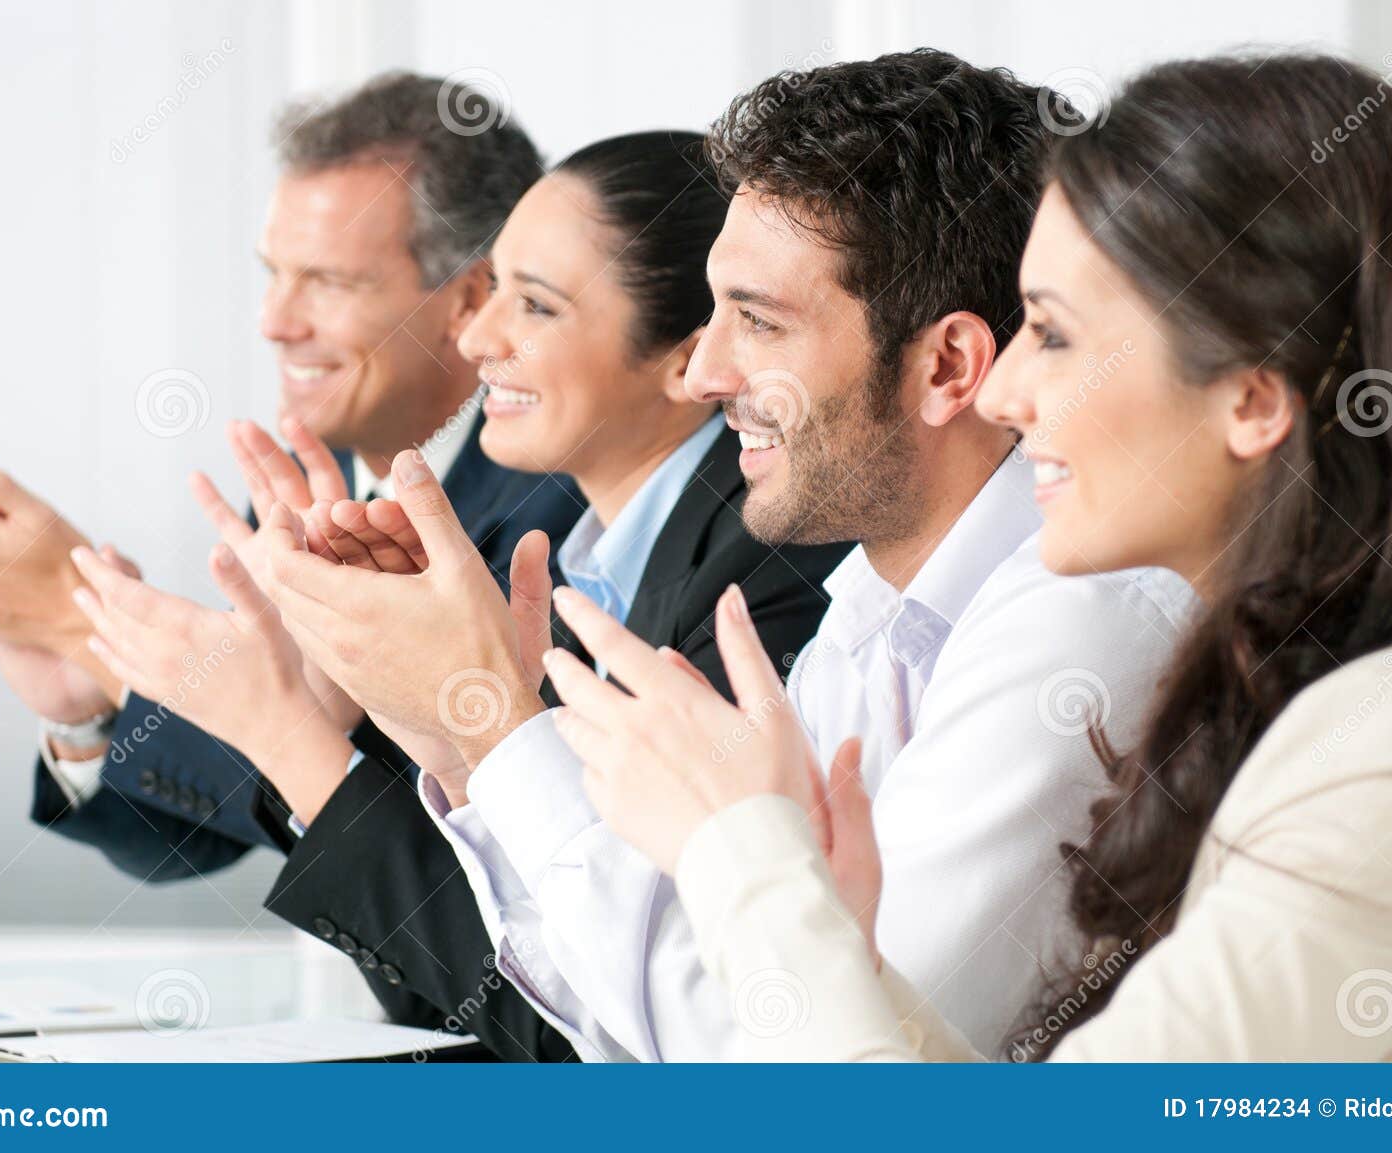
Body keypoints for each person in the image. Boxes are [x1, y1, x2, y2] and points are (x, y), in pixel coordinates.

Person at [249, 50, 1198, 1062]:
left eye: (756, 320)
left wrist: (494, 728)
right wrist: (453, 732)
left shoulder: (1075, 630)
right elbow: (634, 1021)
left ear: (948, 365)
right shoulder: (870, 613)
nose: (702, 371)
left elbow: (785, 1059)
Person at [546, 53, 1392, 1062]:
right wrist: (806, 914)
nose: (1004, 395)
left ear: (1254, 398)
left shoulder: (1383, 747)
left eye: (1050, 333)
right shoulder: (1288, 710)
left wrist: (742, 857)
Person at [70, 130, 851, 1061]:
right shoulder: (594, 560)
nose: (476, 337)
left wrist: (295, 735)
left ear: (688, 359)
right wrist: (358, 702)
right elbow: (497, 992)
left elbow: (578, 1039)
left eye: (534, 305)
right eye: (490, 294)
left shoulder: (764, 571)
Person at [0, 72, 586, 1059]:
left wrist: (91, 626)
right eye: (272, 271)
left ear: (470, 298)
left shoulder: (560, 508)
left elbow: (431, 839)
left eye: (330, 282)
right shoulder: (328, 477)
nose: (273, 319)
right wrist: (86, 707)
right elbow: (228, 819)